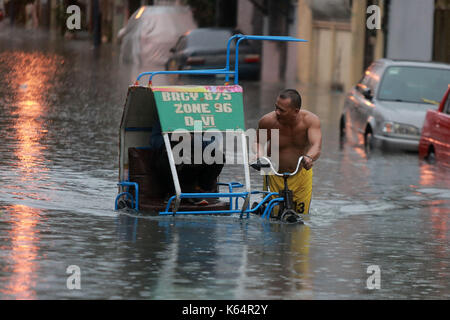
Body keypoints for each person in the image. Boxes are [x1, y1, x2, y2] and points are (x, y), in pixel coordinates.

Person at [256, 89, 322, 215]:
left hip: (301, 175)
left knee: (301, 217)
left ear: (295, 111)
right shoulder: (268, 121)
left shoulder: (310, 121)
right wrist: (260, 156)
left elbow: (316, 145)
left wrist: (309, 157)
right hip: (274, 174)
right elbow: (258, 142)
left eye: (282, 110)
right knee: (272, 217)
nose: (277, 112)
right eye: (276, 108)